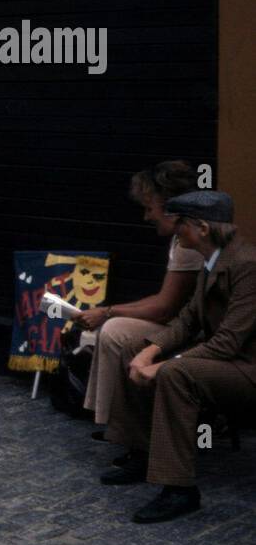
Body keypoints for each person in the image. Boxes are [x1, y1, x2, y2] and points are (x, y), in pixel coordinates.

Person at [101, 191, 256, 523]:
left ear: (201, 227)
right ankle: (143, 452)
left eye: (180, 224)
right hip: (226, 361)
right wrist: (149, 351)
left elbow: (228, 342)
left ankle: (179, 490)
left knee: (176, 374)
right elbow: (187, 320)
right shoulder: (211, 260)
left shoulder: (247, 265)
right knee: (133, 349)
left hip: (246, 367)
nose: (174, 230)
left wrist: (163, 366)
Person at [77, 161, 203, 433]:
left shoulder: (188, 243)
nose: (146, 217)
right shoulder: (182, 238)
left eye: (149, 208)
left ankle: (123, 426)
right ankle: (115, 421)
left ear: (170, 207)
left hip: (195, 332)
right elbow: (162, 299)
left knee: (115, 331)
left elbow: (164, 309)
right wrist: (108, 309)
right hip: (184, 324)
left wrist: (108, 313)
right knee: (111, 326)